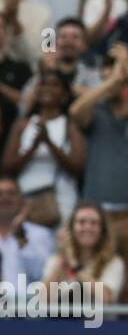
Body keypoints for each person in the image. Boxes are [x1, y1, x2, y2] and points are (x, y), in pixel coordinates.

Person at [67, 43, 128, 302]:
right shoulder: (95, 115)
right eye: (105, 75)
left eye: (117, 75)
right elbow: (75, 112)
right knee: (88, 286)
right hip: (95, 214)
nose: (112, 79)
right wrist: (110, 83)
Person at [1, 69, 85, 228]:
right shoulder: (22, 124)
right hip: (26, 201)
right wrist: (33, 148)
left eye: (54, 85)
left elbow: (78, 168)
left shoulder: (70, 125)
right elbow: (7, 166)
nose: (47, 88)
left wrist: (49, 143)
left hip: (61, 202)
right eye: (43, 84)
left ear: (65, 94)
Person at [41, 202, 123, 304]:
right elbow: (41, 300)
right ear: (71, 229)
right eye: (81, 222)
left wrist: (74, 264)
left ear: (102, 230)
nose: (87, 227)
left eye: (94, 223)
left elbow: (105, 298)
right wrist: (62, 262)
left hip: (98, 320)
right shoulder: (57, 260)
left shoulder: (113, 262)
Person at [0, 175, 54, 285]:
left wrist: (21, 237)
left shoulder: (40, 234)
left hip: (25, 301)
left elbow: (42, 274)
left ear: (22, 201)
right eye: (0, 194)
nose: (5, 198)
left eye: (11, 193)